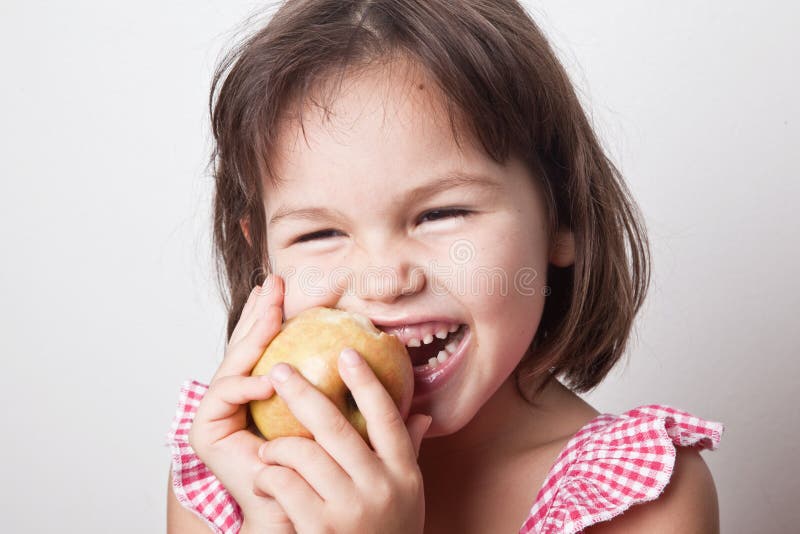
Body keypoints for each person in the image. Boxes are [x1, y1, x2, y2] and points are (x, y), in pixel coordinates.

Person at [165, 1, 725, 532]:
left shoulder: (637, 504)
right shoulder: (230, 473)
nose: (383, 281)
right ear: (264, 255)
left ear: (563, 218)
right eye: (320, 232)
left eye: (441, 213)